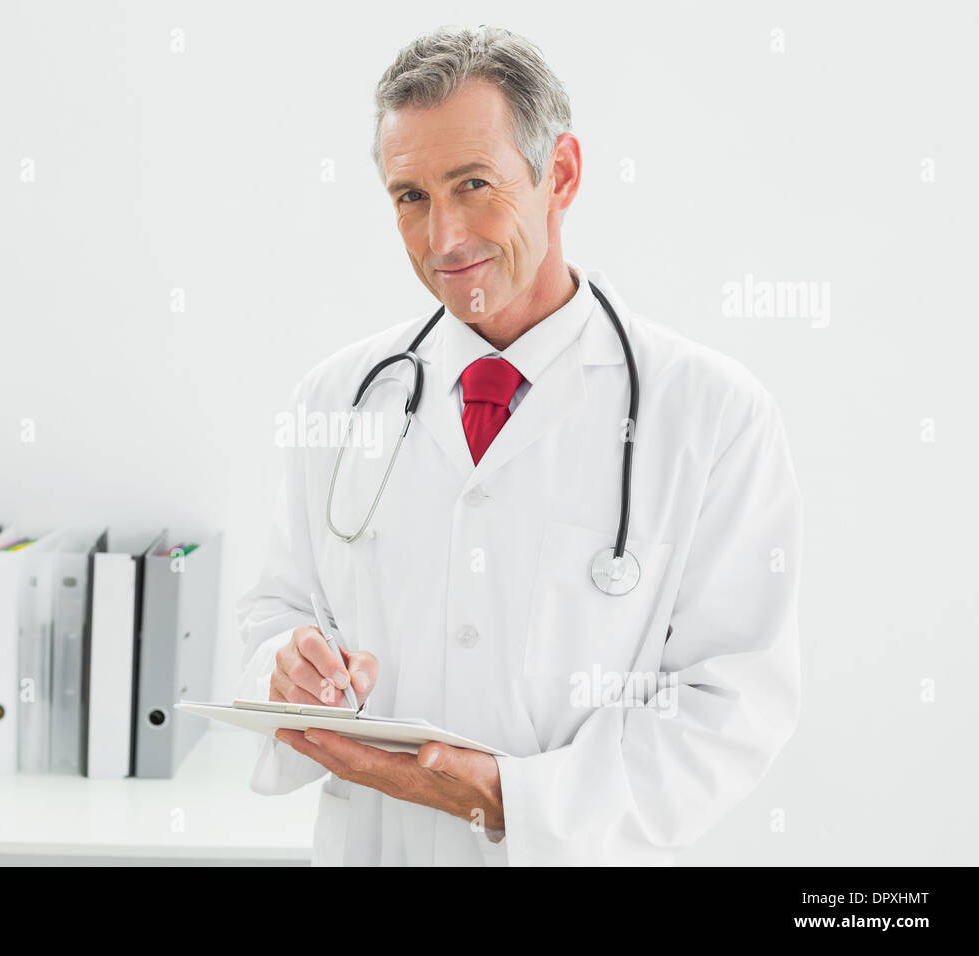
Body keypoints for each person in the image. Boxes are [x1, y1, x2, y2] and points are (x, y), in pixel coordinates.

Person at [235, 24, 802, 866]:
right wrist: (287, 670)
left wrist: (514, 797)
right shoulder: (338, 399)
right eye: (411, 197)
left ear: (560, 174)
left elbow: (734, 703)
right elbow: (277, 612)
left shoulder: (711, 414)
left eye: (473, 185)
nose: (444, 240)